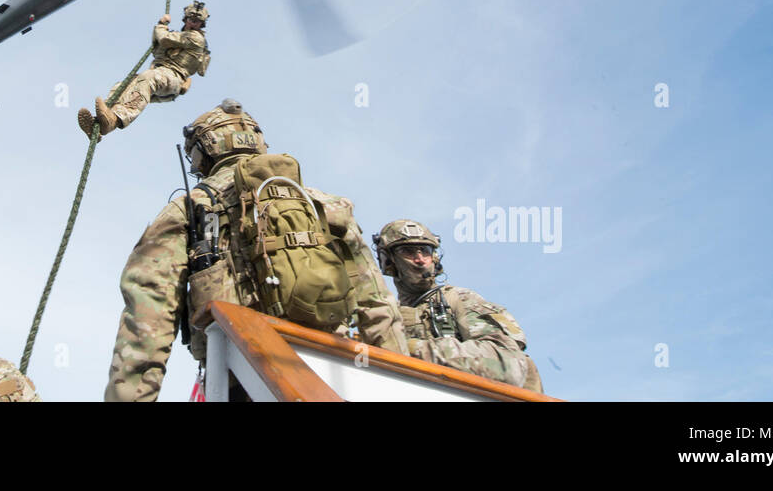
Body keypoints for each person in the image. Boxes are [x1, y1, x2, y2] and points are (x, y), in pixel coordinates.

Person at [105, 100, 407, 401]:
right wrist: (401, 388)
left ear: (205, 152)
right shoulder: (327, 204)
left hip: (244, 378)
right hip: (334, 375)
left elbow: (147, 319)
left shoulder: (187, 209)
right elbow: (378, 305)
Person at [373, 219, 543, 392]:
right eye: (408, 251)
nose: (420, 259)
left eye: (425, 251)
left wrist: (410, 348)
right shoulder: (389, 314)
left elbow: (508, 364)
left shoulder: (458, 298)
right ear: (389, 261)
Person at [78, 1, 210, 137]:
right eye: (191, 19)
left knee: (149, 78)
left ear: (201, 24)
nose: (193, 23)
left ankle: (115, 119)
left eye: (197, 21)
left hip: (173, 78)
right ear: (185, 19)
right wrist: (161, 26)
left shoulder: (196, 38)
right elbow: (157, 46)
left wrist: (161, 25)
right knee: (124, 85)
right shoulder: (178, 37)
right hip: (161, 74)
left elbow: (163, 39)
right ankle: (101, 122)